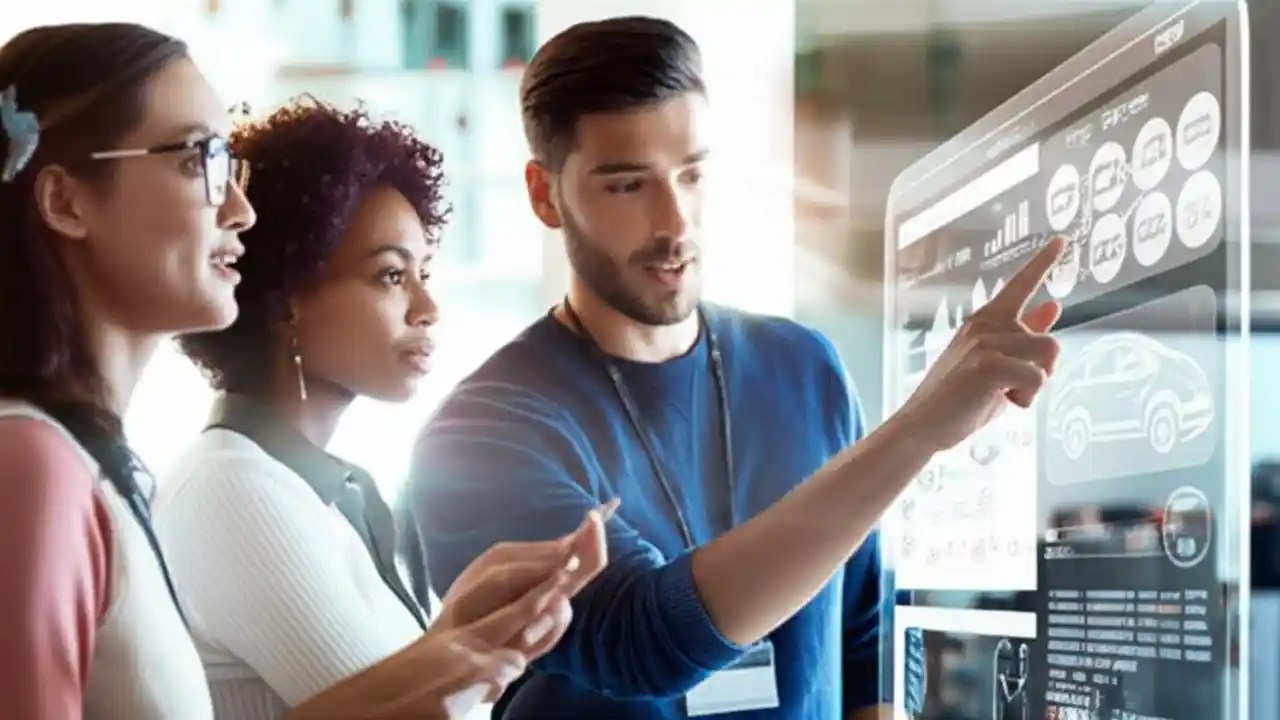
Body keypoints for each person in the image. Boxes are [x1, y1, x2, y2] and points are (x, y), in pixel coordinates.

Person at [408, 15, 1066, 720]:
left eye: (693, 173)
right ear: (546, 195)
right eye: (628, 186)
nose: (676, 222)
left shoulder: (804, 365)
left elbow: (866, 623)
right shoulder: (480, 436)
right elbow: (646, 639)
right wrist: (918, 430)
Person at [153, 98, 610, 720]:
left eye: (423, 272)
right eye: (391, 276)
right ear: (287, 299)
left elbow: (378, 694)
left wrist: (462, 629)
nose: (427, 307)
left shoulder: (316, 492)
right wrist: (466, 654)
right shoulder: (232, 487)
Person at [0, 22, 253, 719]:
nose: (240, 208)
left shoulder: (82, 461)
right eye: (199, 157)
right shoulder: (30, 464)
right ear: (64, 201)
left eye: (231, 159)